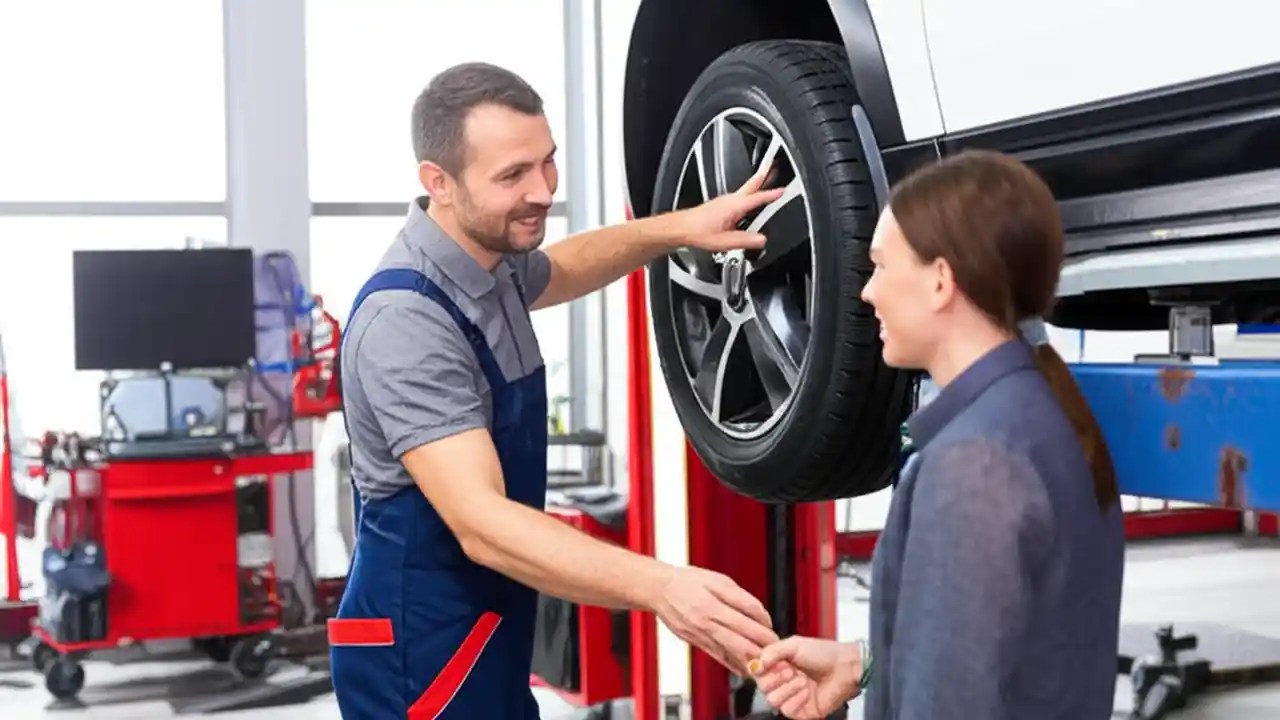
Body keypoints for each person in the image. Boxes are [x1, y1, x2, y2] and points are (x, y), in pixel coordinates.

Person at [326, 62, 785, 719]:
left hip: (485, 629)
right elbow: (482, 525)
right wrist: (663, 588)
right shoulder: (408, 321)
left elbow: (563, 266)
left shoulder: (489, 261)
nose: (542, 190)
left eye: (548, 163)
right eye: (512, 175)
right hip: (419, 658)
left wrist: (680, 228)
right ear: (438, 183)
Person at [754, 150, 1126, 719]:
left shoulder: (973, 468)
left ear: (940, 281)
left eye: (879, 266)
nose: (867, 293)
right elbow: (1011, 652)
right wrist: (869, 665)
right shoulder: (1040, 417)